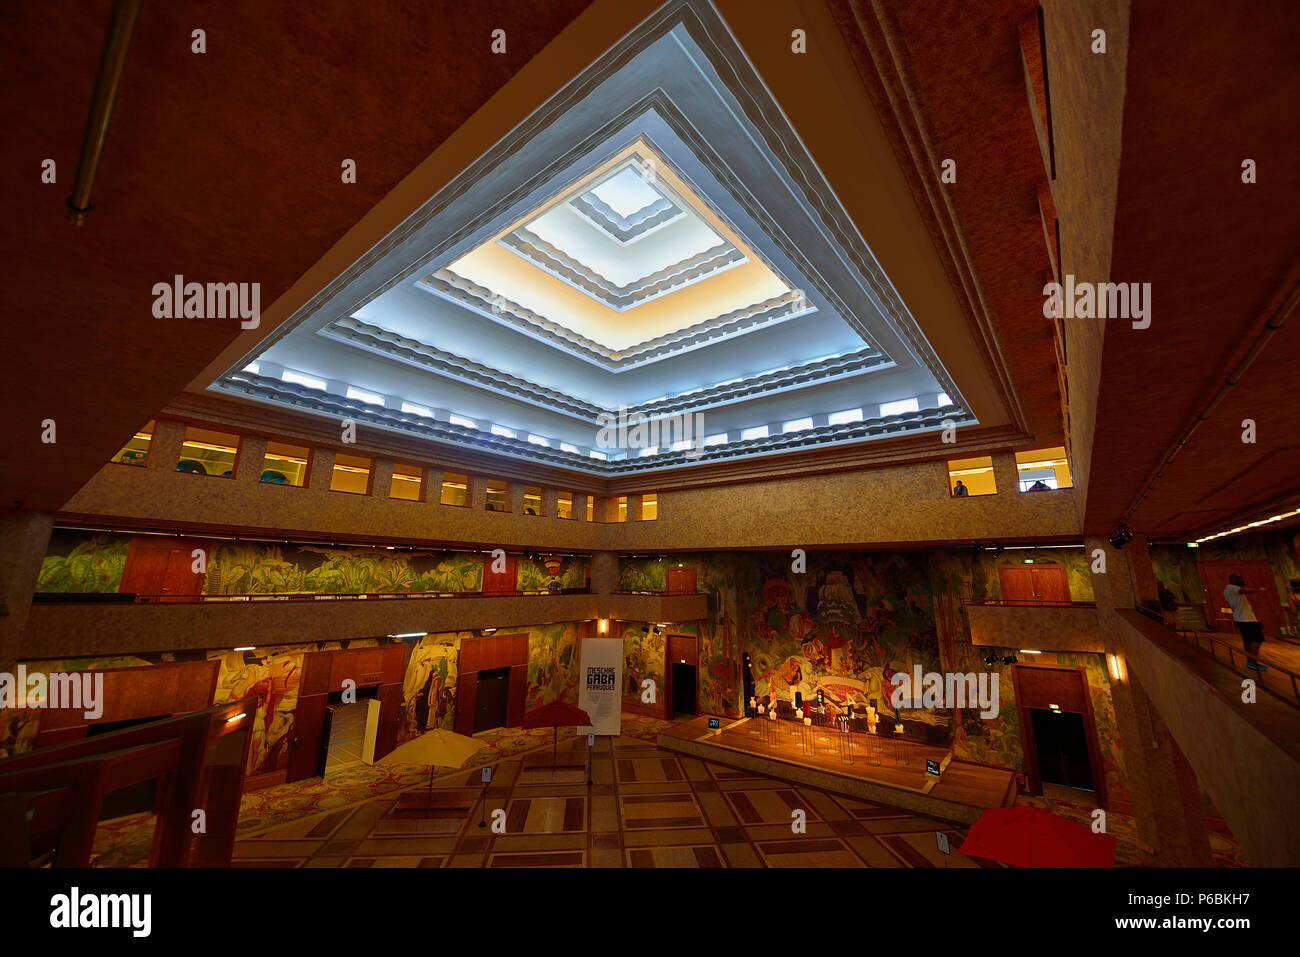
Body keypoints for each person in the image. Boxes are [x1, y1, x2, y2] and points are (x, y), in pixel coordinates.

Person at [1224, 574, 1268, 671]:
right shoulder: (1231, 587)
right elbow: (1243, 590)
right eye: (1239, 579)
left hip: (1243, 618)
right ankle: (1253, 661)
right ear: (1233, 579)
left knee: (1248, 640)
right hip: (1246, 619)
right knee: (1257, 639)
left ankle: (1250, 661)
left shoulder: (1230, 590)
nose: (1241, 581)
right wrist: (1259, 590)